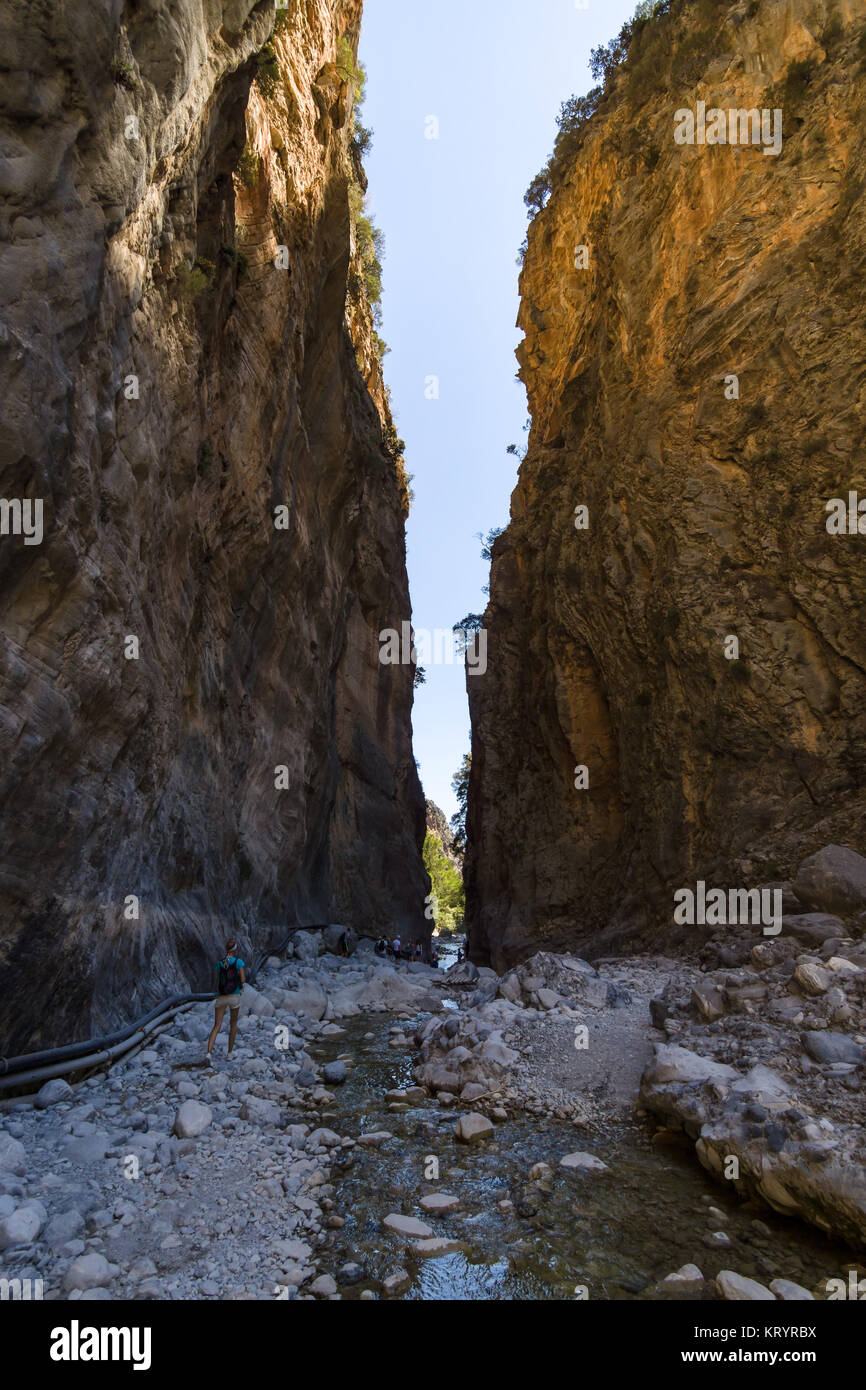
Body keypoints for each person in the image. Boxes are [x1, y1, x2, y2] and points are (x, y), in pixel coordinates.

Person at [207, 937, 246, 1064]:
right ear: (235, 950)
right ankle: (229, 1054)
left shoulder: (220, 963)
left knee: (216, 1025)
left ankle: (209, 1053)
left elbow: (219, 978)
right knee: (233, 1024)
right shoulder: (239, 962)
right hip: (234, 996)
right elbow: (243, 979)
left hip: (221, 996)